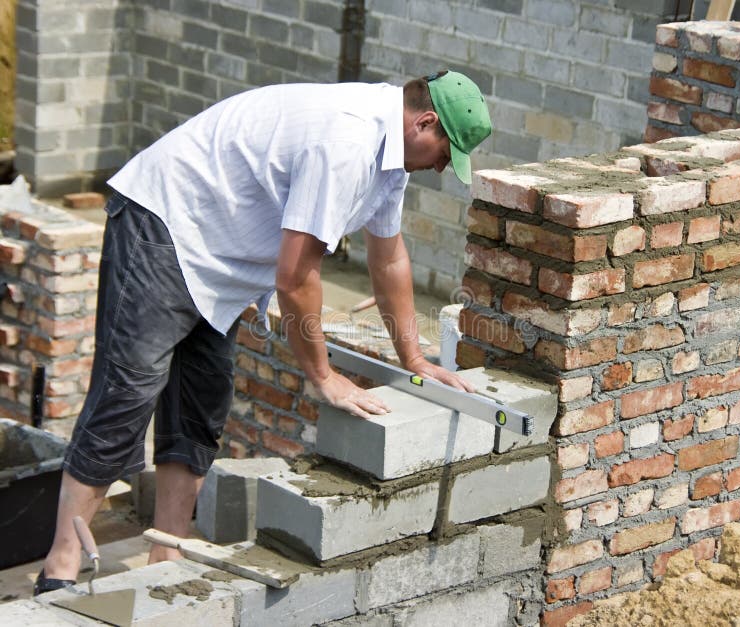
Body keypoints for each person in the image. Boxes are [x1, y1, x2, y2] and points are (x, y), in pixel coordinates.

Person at [34, 70, 492, 594]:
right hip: (166, 224)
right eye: (444, 152)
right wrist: (322, 375)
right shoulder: (346, 142)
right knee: (127, 395)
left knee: (201, 403)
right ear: (425, 122)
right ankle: (59, 568)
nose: (439, 168)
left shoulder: (391, 159)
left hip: (224, 255)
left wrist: (414, 359)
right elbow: (297, 277)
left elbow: (389, 258)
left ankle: (166, 559)